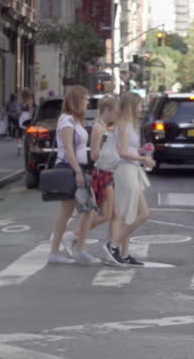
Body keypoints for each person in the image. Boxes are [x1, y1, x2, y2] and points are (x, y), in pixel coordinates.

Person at [47, 86, 100, 265]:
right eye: (85, 99)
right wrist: (77, 171)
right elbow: (68, 147)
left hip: (77, 167)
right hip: (70, 168)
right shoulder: (67, 119)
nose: (87, 102)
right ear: (77, 100)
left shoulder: (76, 120)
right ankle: (69, 250)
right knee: (74, 210)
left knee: (82, 209)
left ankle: (74, 248)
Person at [104, 92, 155, 267]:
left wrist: (141, 150)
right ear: (132, 106)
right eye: (139, 105)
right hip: (125, 171)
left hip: (133, 170)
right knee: (135, 214)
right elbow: (122, 152)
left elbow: (129, 150)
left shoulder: (131, 125)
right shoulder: (124, 126)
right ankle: (113, 245)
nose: (142, 108)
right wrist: (144, 159)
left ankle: (124, 253)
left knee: (136, 214)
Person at [74, 95, 120, 263]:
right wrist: (106, 145)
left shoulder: (104, 127)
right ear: (107, 110)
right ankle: (76, 236)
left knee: (111, 213)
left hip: (107, 171)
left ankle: (80, 239)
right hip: (102, 172)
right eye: (115, 112)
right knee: (106, 214)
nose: (116, 115)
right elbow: (94, 154)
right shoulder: (99, 128)